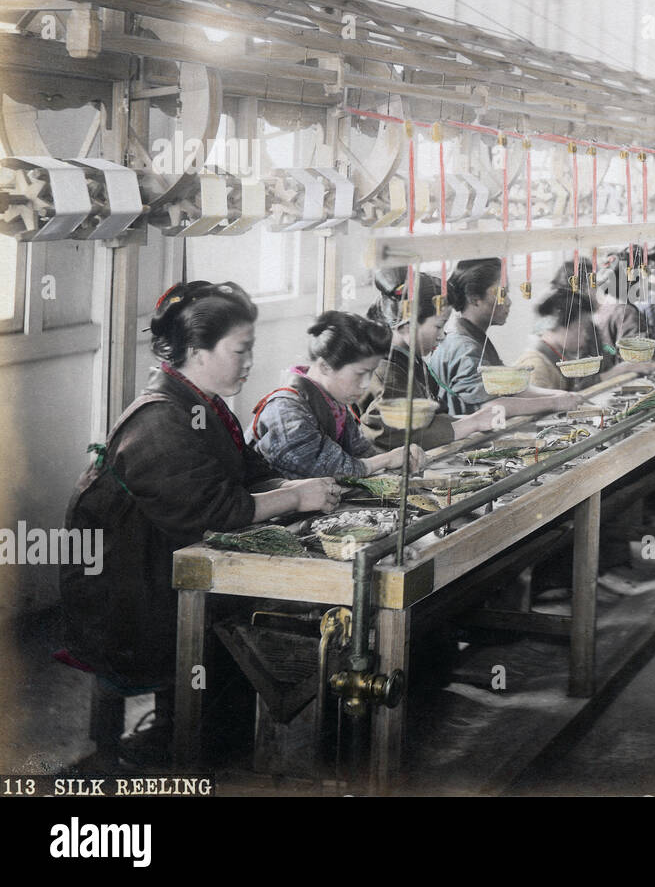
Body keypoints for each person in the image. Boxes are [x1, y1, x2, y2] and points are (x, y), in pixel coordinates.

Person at [60, 281, 342, 762]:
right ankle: (194, 753)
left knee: (268, 619)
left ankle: (207, 743)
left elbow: (249, 474)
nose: (250, 361)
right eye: (241, 350)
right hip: (129, 601)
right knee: (255, 632)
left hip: (161, 574)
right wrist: (297, 497)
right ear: (196, 350)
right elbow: (218, 514)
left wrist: (296, 489)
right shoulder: (160, 421)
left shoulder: (201, 407)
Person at [248, 310, 434, 478]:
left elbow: (362, 453)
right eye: (360, 373)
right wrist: (385, 460)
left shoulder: (335, 402)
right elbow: (325, 468)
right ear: (325, 366)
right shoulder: (285, 408)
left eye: (371, 373)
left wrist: (401, 458)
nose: (366, 384)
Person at [359, 269, 500, 451]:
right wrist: (472, 423)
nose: (442, 336)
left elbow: (430, 419)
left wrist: (474, 420)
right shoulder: (384, 371)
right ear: (407, 325)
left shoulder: (409, 359)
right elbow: (391, 434)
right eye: (438, 326)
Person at [427, 258, 582, 416]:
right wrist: (554, 402)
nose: (508, 302)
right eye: (502, 293)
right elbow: (492, 406)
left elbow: (511, 387)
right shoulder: (464, 347)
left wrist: (559, 395)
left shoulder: (473, 338)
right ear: (474, 299)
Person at [514, 284, 655, 390]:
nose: (586, 336)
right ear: (559, 324)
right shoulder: (536, 366)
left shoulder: (560, 357)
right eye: (582, 329)